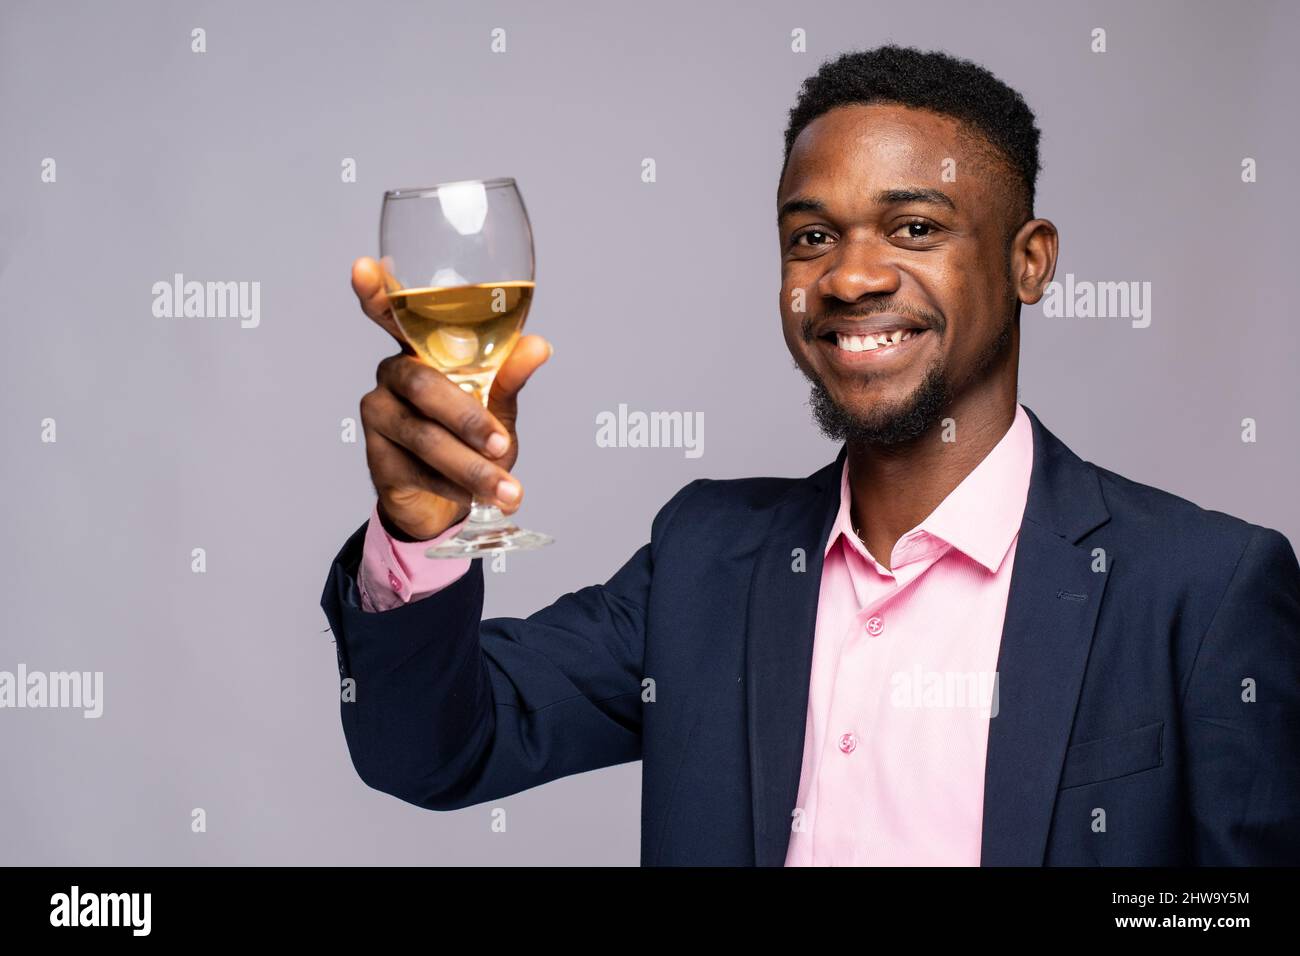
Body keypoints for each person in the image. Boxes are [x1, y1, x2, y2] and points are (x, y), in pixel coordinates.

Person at [321, 45, 1300, 866]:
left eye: (914, 228)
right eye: (812, 236)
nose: (850, 276)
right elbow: (435, 750)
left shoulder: (1203, 588)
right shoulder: (705, 556)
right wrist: (423, 530)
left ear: (1028, 260)